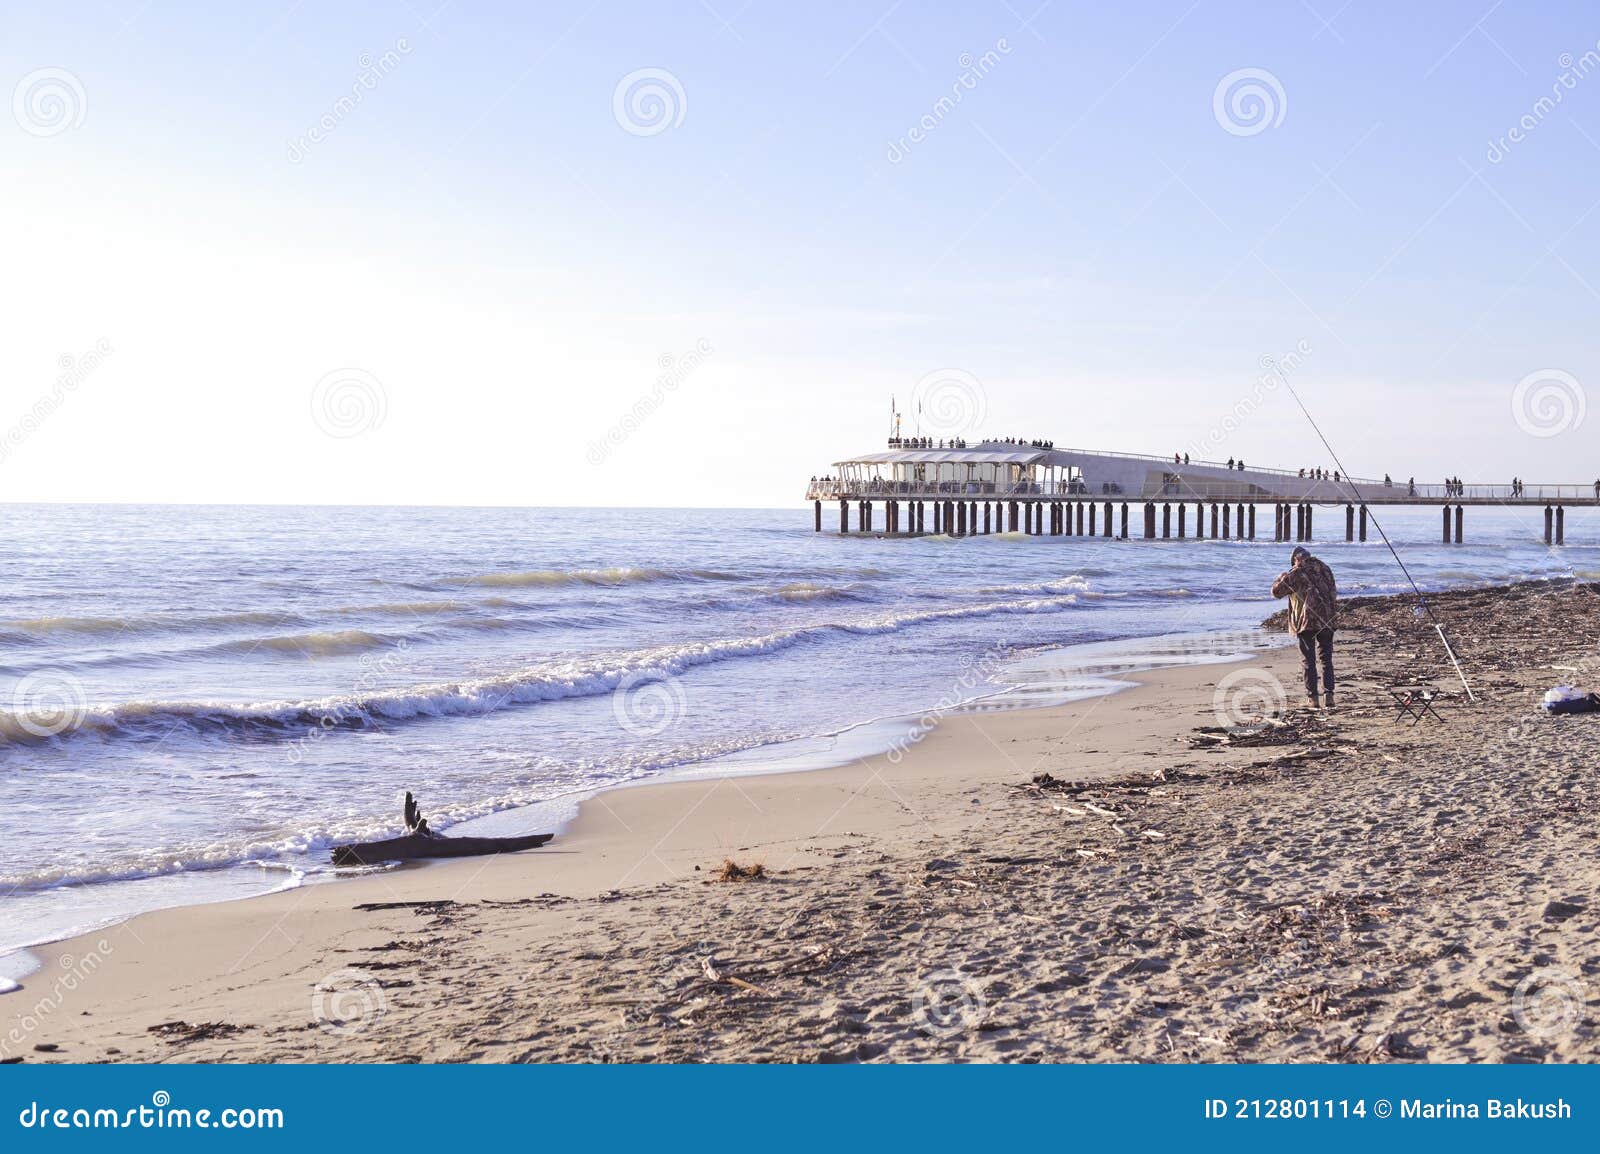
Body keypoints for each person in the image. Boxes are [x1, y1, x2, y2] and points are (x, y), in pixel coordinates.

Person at [1271, 546, 1339, 709]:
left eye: (1294, 562)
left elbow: (1276, 592)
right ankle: (1329, 696)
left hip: (1306, 622)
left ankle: (1313, 699)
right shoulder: (1325, 569)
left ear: (1297, 559)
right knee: (1326, 659)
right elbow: (1333, 592)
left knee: (1308, 660)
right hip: (1328, 620)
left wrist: (1280, 578)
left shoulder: (1296, 573)